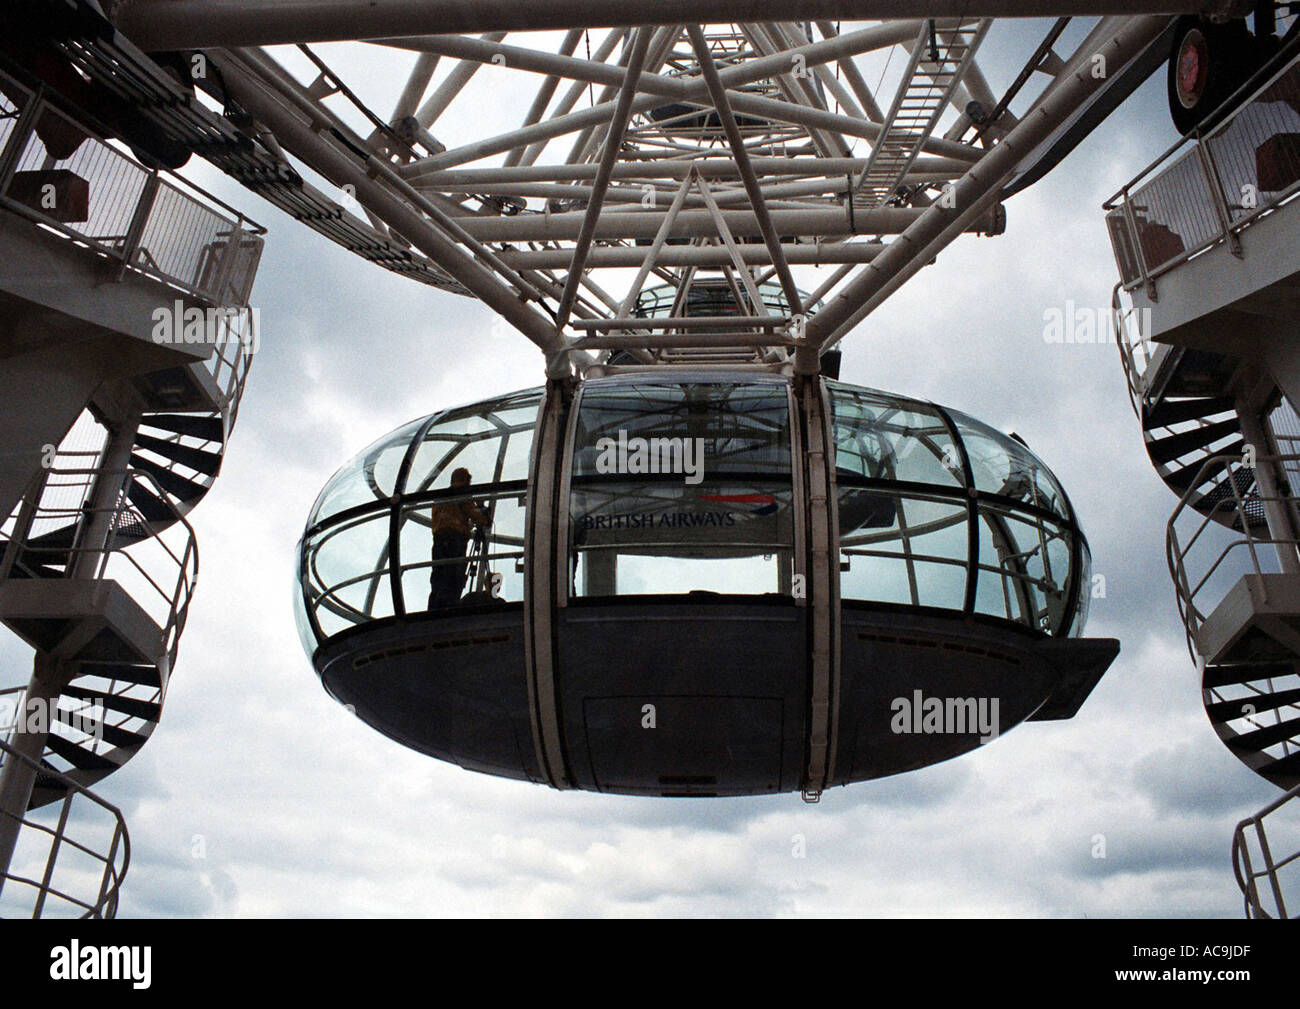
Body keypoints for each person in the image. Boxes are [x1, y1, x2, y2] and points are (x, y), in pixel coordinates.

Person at [428, 468, 489, 609]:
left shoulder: (440, 497)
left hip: (438, 541)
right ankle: (450, 607)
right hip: (455, 541)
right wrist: (481, 508)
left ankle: (434, 608)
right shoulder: (462, 497)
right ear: (465, 481)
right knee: (454, 576)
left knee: (438, 576)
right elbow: (478, 517)